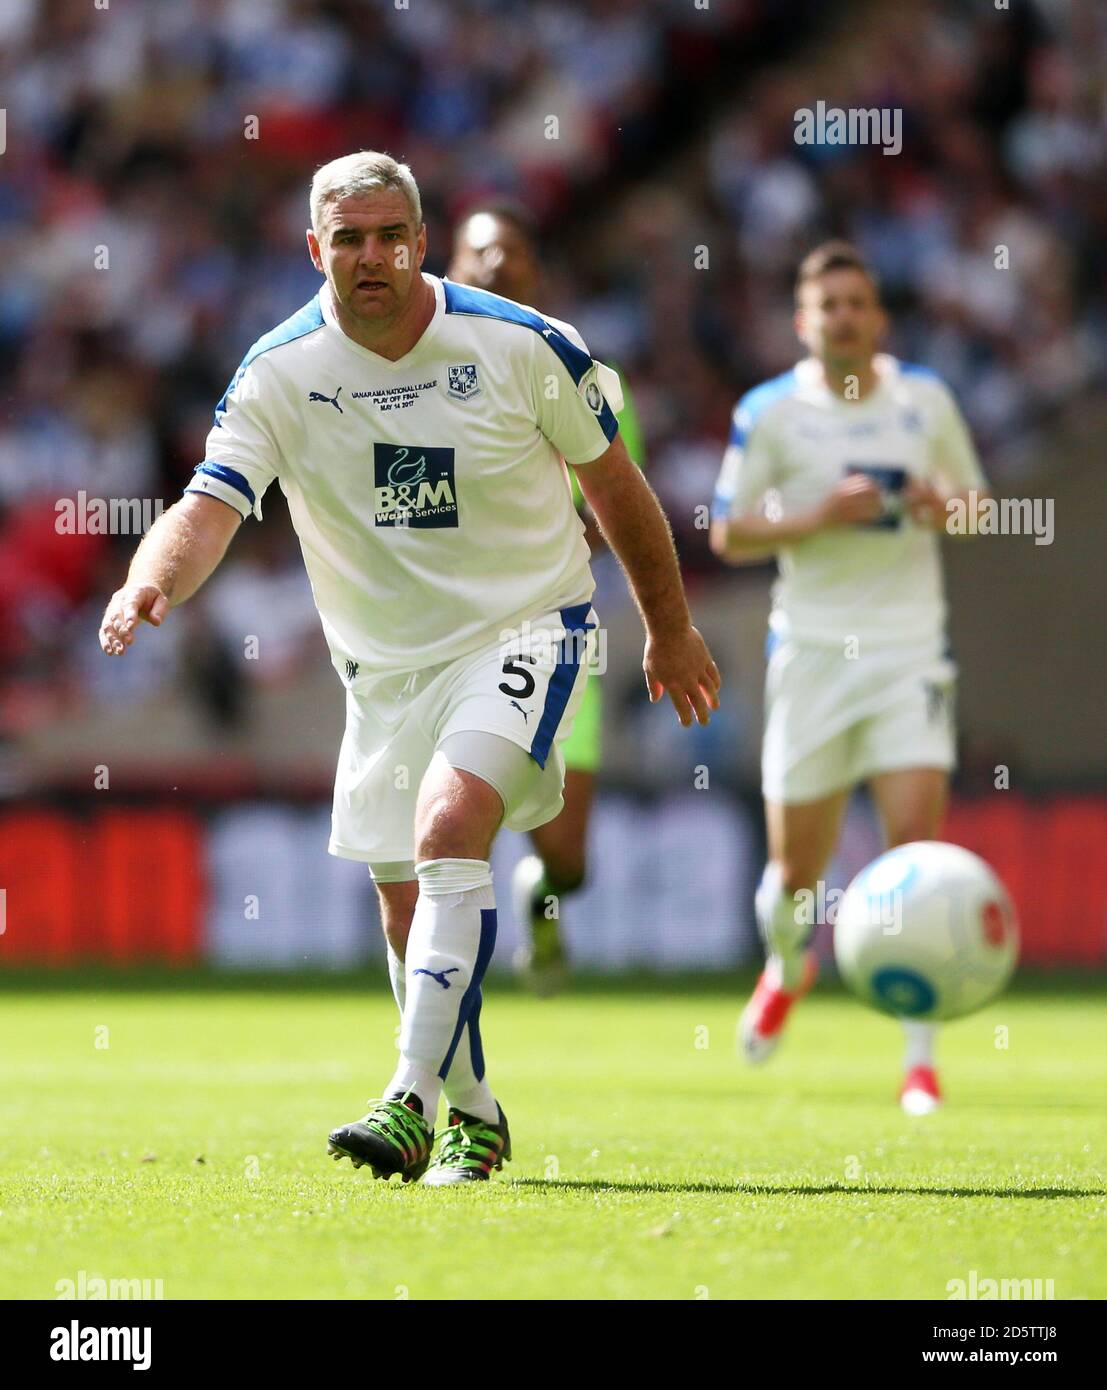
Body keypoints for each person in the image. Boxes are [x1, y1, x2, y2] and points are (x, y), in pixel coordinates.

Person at [100, 151, 720, 1183]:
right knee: (408, 902)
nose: (372, 255)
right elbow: (207, 507)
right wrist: (148, 582)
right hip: (383, 672)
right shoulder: (279, 373)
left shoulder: (524, 345)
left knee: (449, 825)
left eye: (392, 235)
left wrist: (670, 625)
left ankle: (407, 1097)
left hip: (527, 626)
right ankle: (474, 1108)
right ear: (316, 249)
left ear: (423, 243)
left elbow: (617, 489)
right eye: (349, 238)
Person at [710, 241, 987, 1114]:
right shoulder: (771, 412)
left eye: (856, 303)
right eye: (826, 305)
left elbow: (981, 508)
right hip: (813, 654)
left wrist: (944, 507)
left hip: (909, 653)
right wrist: (818, 515)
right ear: (803, 322)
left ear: (877, 317)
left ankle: (918, 1058)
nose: (843, 318)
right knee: (798, 872)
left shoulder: (924, 400)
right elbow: (725, 532)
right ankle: (787, 967)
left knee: (915, 858)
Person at [448, 203, 647, 993]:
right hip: (451, 637)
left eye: (514, 251)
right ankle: (441, 1006)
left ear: (535, 271)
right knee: (454, 829)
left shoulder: (580, 373)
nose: (498, 263)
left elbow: (613, 501)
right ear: (450, 268)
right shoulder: (412, 375)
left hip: (557, 634)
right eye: (481, 252)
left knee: (567, 858)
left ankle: (543, 899)